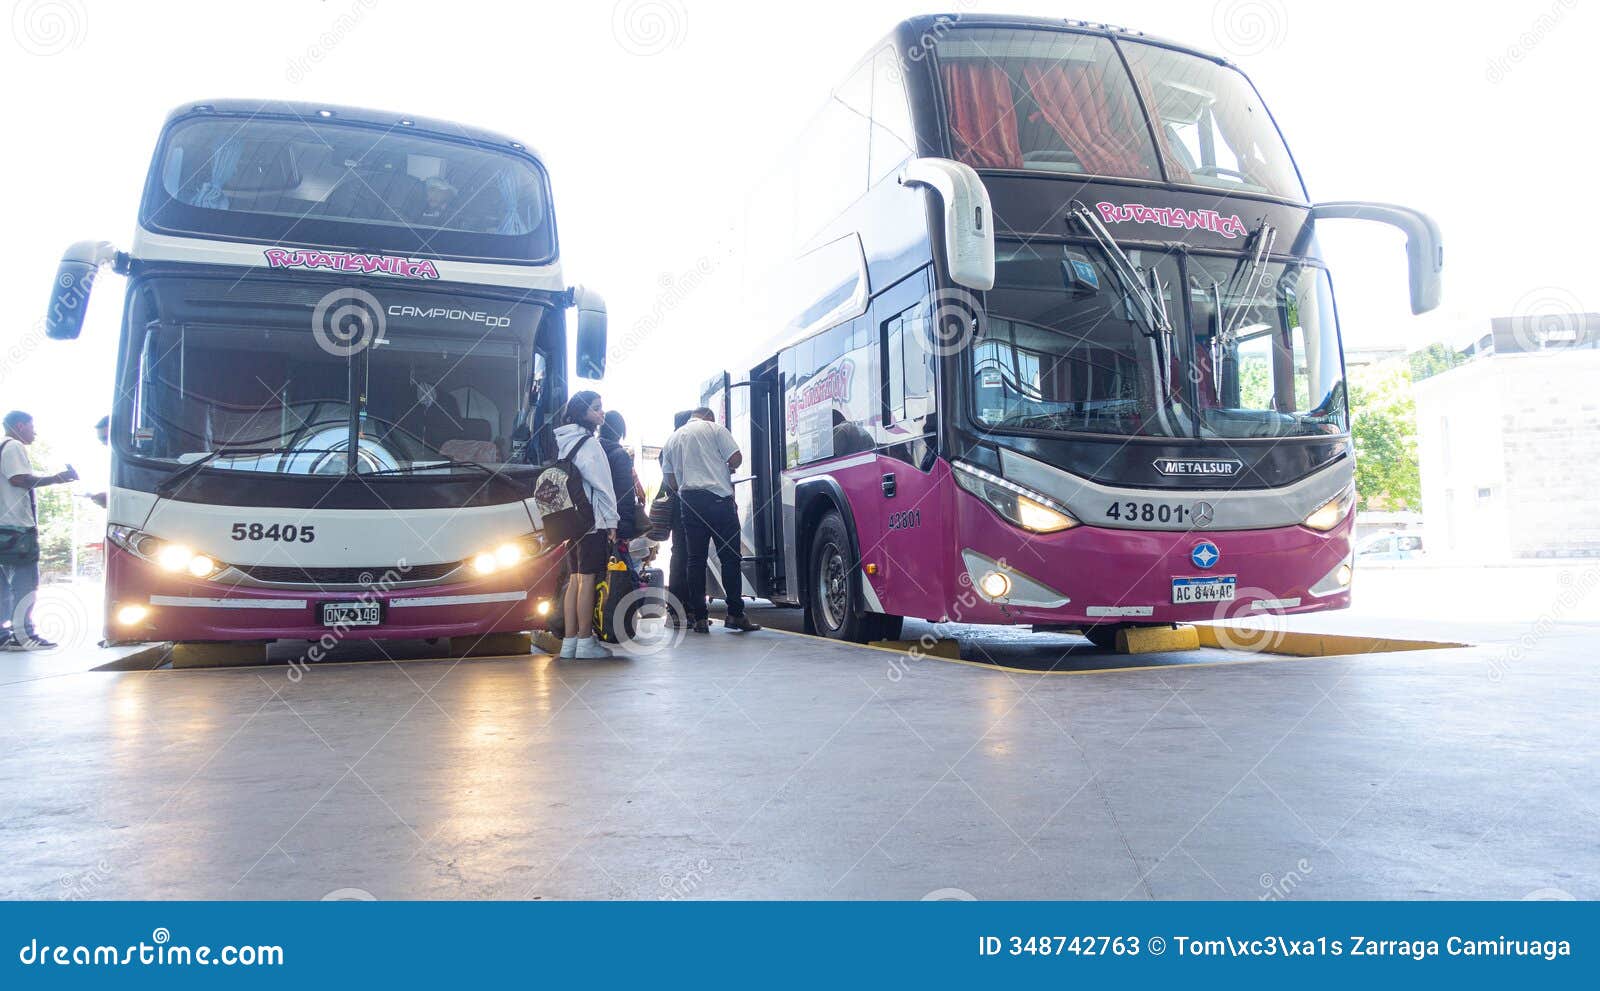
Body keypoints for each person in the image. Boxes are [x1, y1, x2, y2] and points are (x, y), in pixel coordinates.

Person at [660, 408, 760, 634]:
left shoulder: (673, 439)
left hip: (690, 503)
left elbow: (671, 481)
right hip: (719, 502)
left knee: (695, 560)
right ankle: (735, 613)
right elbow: (736, 458)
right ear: (709, 417)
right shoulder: (715, 429)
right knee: (730, 559)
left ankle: (700, 618)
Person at [1, 411, 78, 650]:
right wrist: (57, 478)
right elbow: (19, 479)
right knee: (26, 582)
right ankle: (23, 635)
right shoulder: (13, 446)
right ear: (20, 425)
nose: (35, 432)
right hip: (16, 529)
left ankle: (4, 635)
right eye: (32, 427)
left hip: (4, 527)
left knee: (3, 585)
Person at [551, 391, 617, 659]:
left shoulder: (565, 441)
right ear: (583, 413)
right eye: (596, 408)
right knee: (587, 580)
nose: (601, 413)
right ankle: (585, 640)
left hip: (571, 522)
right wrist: (612, 521)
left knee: (575, 580)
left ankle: (570, 643)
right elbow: (603, 486)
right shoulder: (589, 444)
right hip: (592, 522)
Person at [599, 411, 644, 543]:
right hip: (616, 523)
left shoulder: (594, 451)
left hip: (597, 521)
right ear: (620, 431)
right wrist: (625, 530)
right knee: (619, 562)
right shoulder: (620, 455)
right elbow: (625, 493)